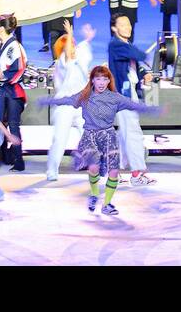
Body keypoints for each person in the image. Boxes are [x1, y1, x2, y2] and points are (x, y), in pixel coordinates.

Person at [36, 65, 161, 216]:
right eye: (98, 79)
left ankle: (107, 204)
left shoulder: (115, 98)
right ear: (93, 80)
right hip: (90, 136)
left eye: (104, 79)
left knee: (113, 172)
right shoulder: (85, 96)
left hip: (109, 137)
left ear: (109, 81)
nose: (101, 82)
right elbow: (66, 100)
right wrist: (46, 101)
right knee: (94, 168)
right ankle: (94, 194)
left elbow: (135, 105)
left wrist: (154, 110)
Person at [108, 13, 158, 186]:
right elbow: (138, 55)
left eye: (129, 24)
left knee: (124, 135)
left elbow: (133, 65)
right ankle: (137, 175)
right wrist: (144, 56)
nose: (128, 27)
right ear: (114, 28)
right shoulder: (116, 45)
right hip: (123, 96)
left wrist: (143, 74)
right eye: (123, 25)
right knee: (133, 134)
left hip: (129, 94)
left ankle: (115, 173)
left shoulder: (125, 44)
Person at [46, 21, 93, 181]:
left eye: (73, 44)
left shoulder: (77, 61)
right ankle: (52, 170)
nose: (73, 47)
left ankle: (84, 160)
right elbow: (68, 55)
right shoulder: (62, 62)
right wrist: (70, 33)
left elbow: (82, 53)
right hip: (64, 107)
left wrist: (87, 39)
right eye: (70, 45)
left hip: (80, 106)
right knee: (60, 140)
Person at [0, 13, 27, 171]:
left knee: (13, 126)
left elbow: (20, 67)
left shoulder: (14, 45)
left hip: (12, 90)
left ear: (2, 28)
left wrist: (6, 75)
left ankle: (18, 161)